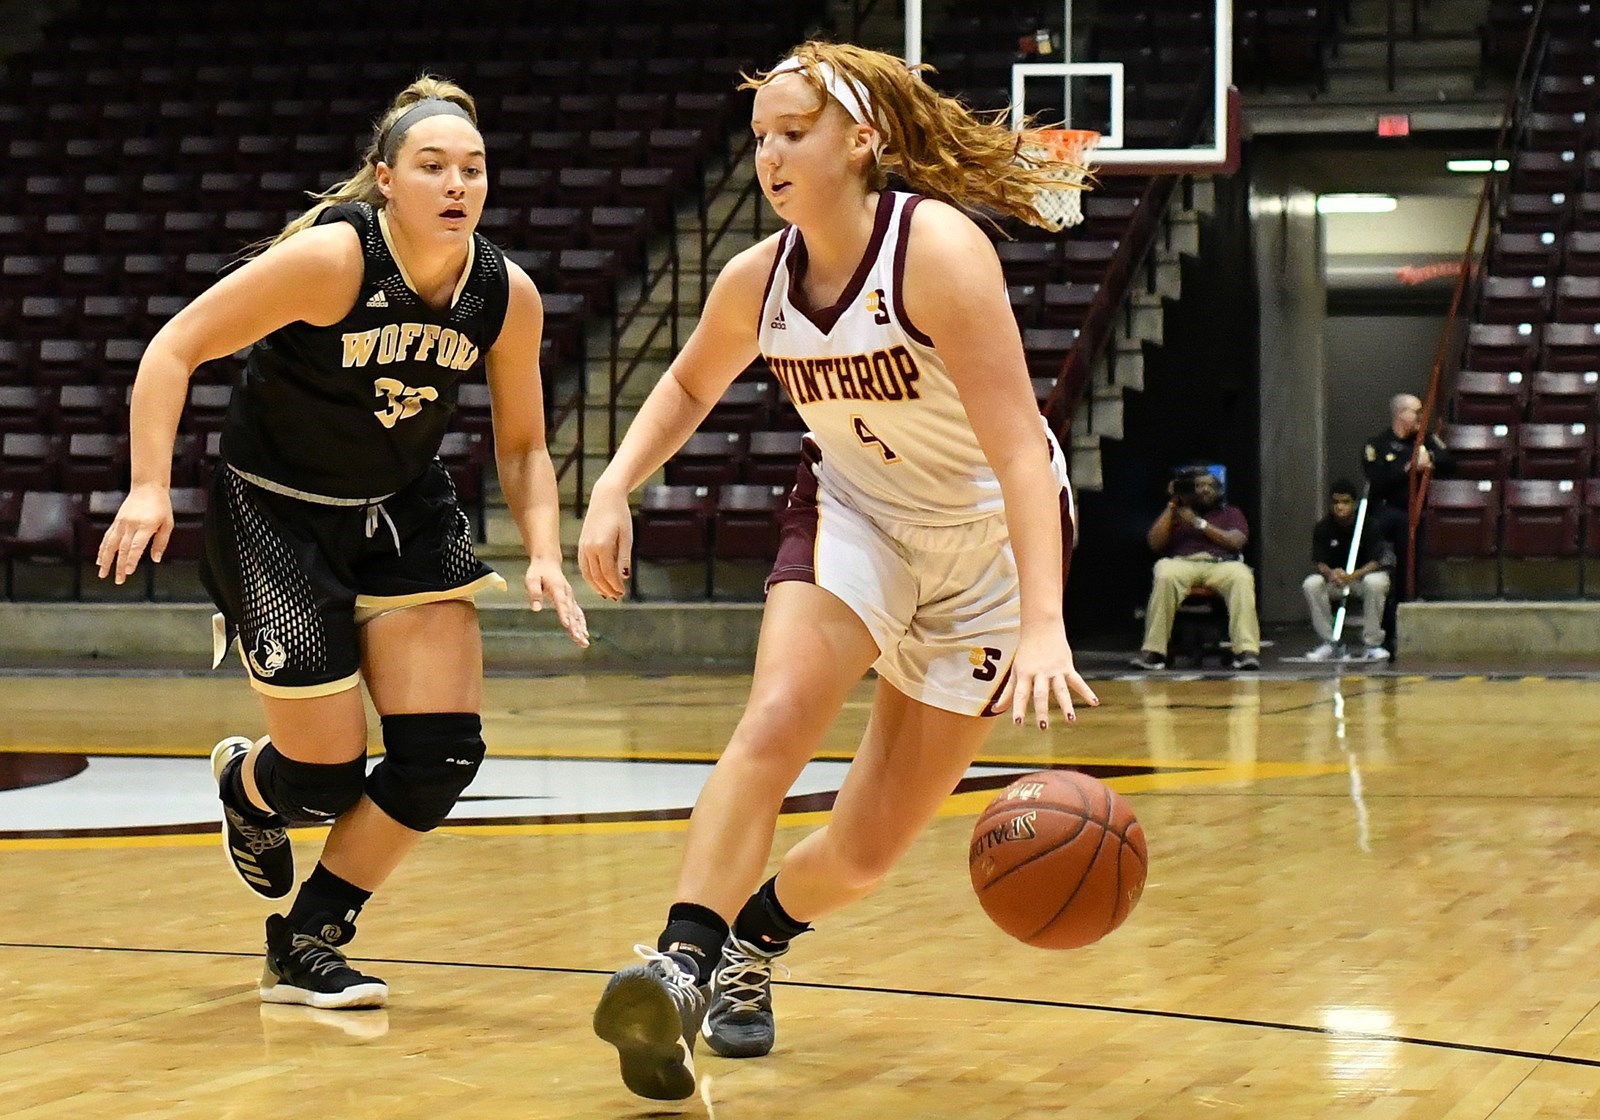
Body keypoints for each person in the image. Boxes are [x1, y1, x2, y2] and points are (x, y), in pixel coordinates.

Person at [576, 41, 1097, 1101]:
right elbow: (683, 386)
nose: (768, 153)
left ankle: (748, 947)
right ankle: (678, 962)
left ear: (860, 141)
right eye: (760, 136)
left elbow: (1015, 448)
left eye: (792, 131)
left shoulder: (937, 251)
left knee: (862, 851)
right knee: (773, 719)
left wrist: (1042, 619)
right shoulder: (754, 280)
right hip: (857, 516)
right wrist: (611, 482)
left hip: (992, 545)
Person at [94, 76, 588, 1010]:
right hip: (276, 510)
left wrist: (545, 553)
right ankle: (250, 787)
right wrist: (149, 487)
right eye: (432, 167)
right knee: (320, 783)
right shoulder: (333, 261)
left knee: (441, 755)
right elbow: (173, 347)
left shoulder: (501, 291)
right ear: (385, 180)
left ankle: (310, 937)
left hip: (403, 505)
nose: (456, 186)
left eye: (473, 170)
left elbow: (521, 444)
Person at [1129, 469, 1261, 671]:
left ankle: (1246, 652)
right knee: (1164, 572)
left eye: (1210, 486)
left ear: (1219, 491)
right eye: (1199, 486)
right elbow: (1154, 544)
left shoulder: (1230, 513)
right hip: (1182, 563)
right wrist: (1173, 505)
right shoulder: (1175, 513)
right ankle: (1154, 652)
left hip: (1221, 563)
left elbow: (1236, 541)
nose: (1205, 490)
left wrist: (1198, 523)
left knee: (1242, 576)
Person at [1363, 392, 1454, 646]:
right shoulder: (1377, 444)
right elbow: (1377, 480)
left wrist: (1430, 459)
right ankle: (1382, 624)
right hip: (1385, 511)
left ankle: (1407, 603)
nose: (1421, 416)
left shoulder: (1424, 440)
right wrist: (1407, 468)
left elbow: (1451, 462)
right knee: (1385, 533)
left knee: (1410, 533)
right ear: (1400, 414)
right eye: (1416, 411)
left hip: (1414, 512)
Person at [1301, 479, 1393, 661]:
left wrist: (1353, 575)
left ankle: (1372, 644)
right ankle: (1330, 643)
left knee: (1376, 582)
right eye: (1335, 502)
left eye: (1345, 502)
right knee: (1311, 584)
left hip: (1361, 580)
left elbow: (1376, 561)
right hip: (1335, 582)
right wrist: (1332, 574)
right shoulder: (1323, 527)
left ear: (1355, 503)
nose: (1340, 507)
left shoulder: (1368, 525)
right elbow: (1318, 561)